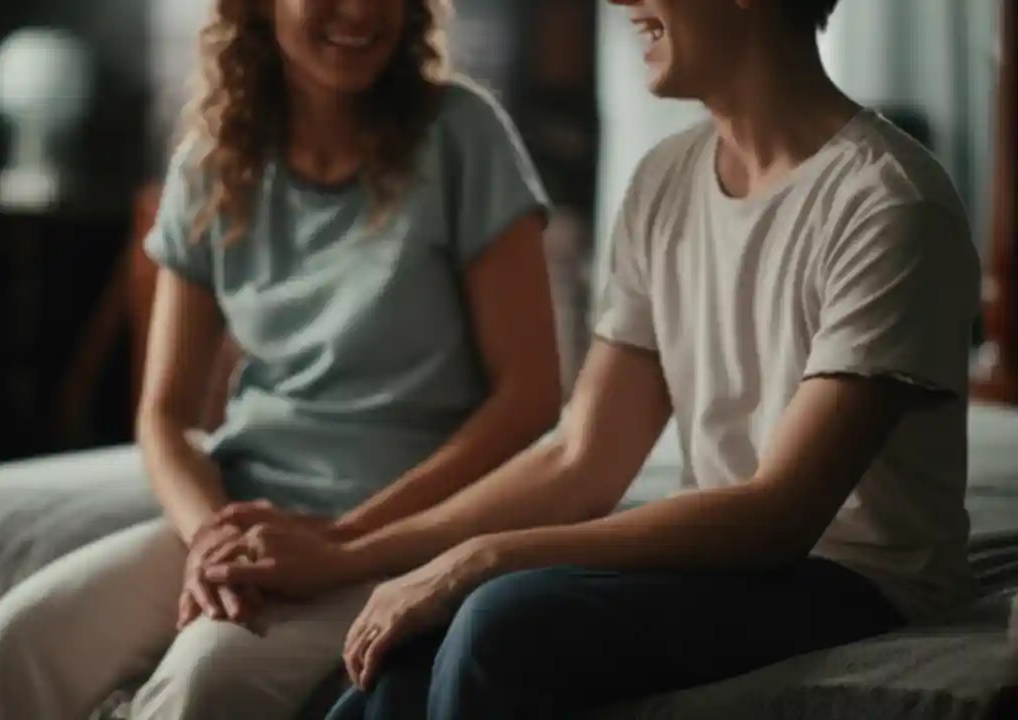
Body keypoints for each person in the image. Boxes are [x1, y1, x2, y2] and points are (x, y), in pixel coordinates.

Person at [200, 0, 985, 717]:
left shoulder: (889, 203)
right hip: (732, 564)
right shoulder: (664, 183)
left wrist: (481, 559)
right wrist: (351, 554)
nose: (617, 3)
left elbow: (779, 514)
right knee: (395, 664)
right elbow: (582, 458)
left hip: (855, 582)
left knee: (500, 620)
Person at [0, 0, 561, 718]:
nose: (364, 9)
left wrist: (342, 542)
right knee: (17, 640)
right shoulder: (214, 161)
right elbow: (167, 414)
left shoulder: (464, 134)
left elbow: (529, 398)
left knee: (203, 681)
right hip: (250, 516)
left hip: (403, 532)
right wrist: (208, 537)